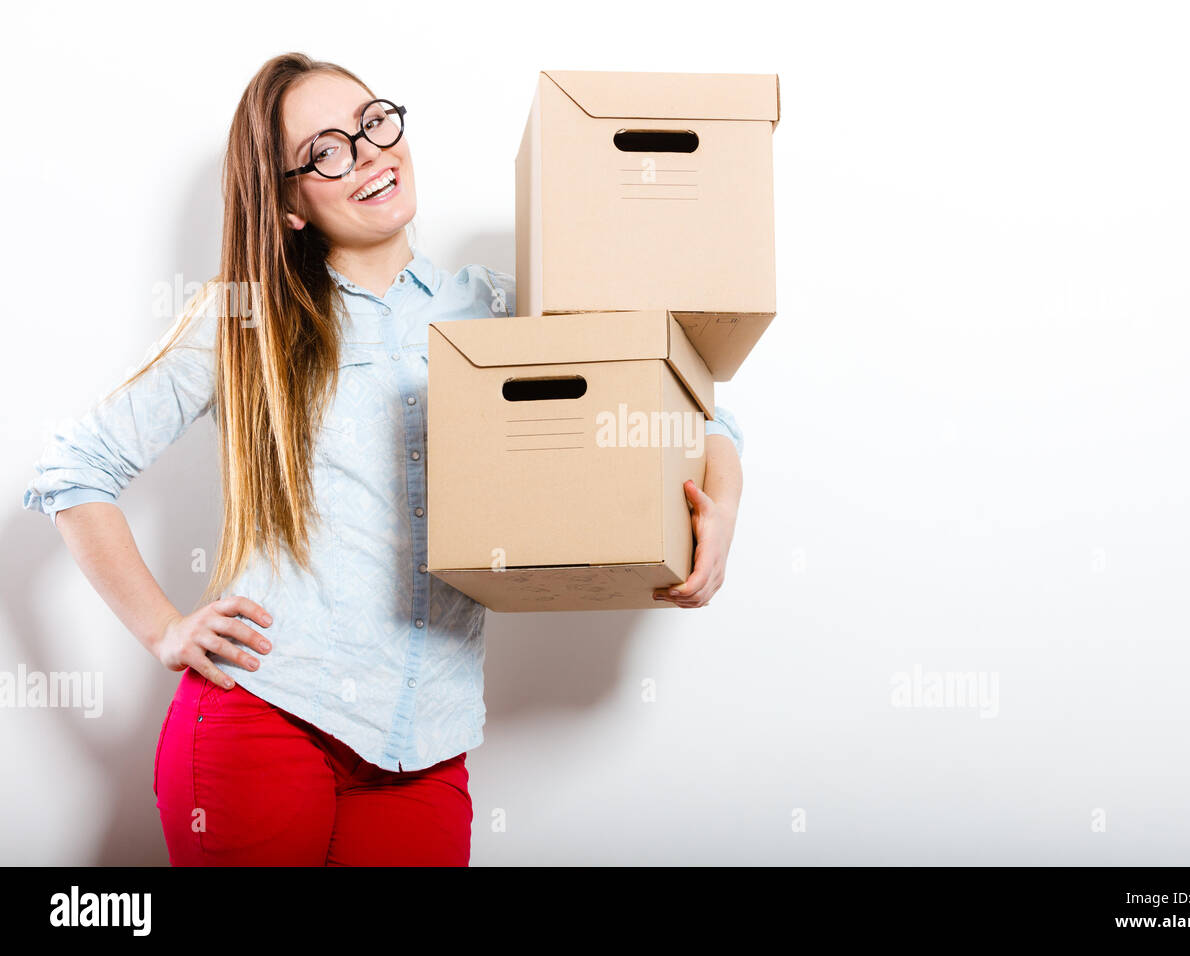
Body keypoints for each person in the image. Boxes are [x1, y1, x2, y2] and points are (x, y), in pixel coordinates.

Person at [20, 52, 744, 866]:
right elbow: (73, 469)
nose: (368, 153)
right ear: (290, 202)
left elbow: (684, 393)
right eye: (327, 150)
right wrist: (162, 630)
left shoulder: (502, 308)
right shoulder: (245, 317)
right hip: (266, 716)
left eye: (373, 123)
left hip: (425, 750)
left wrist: (719, 508)